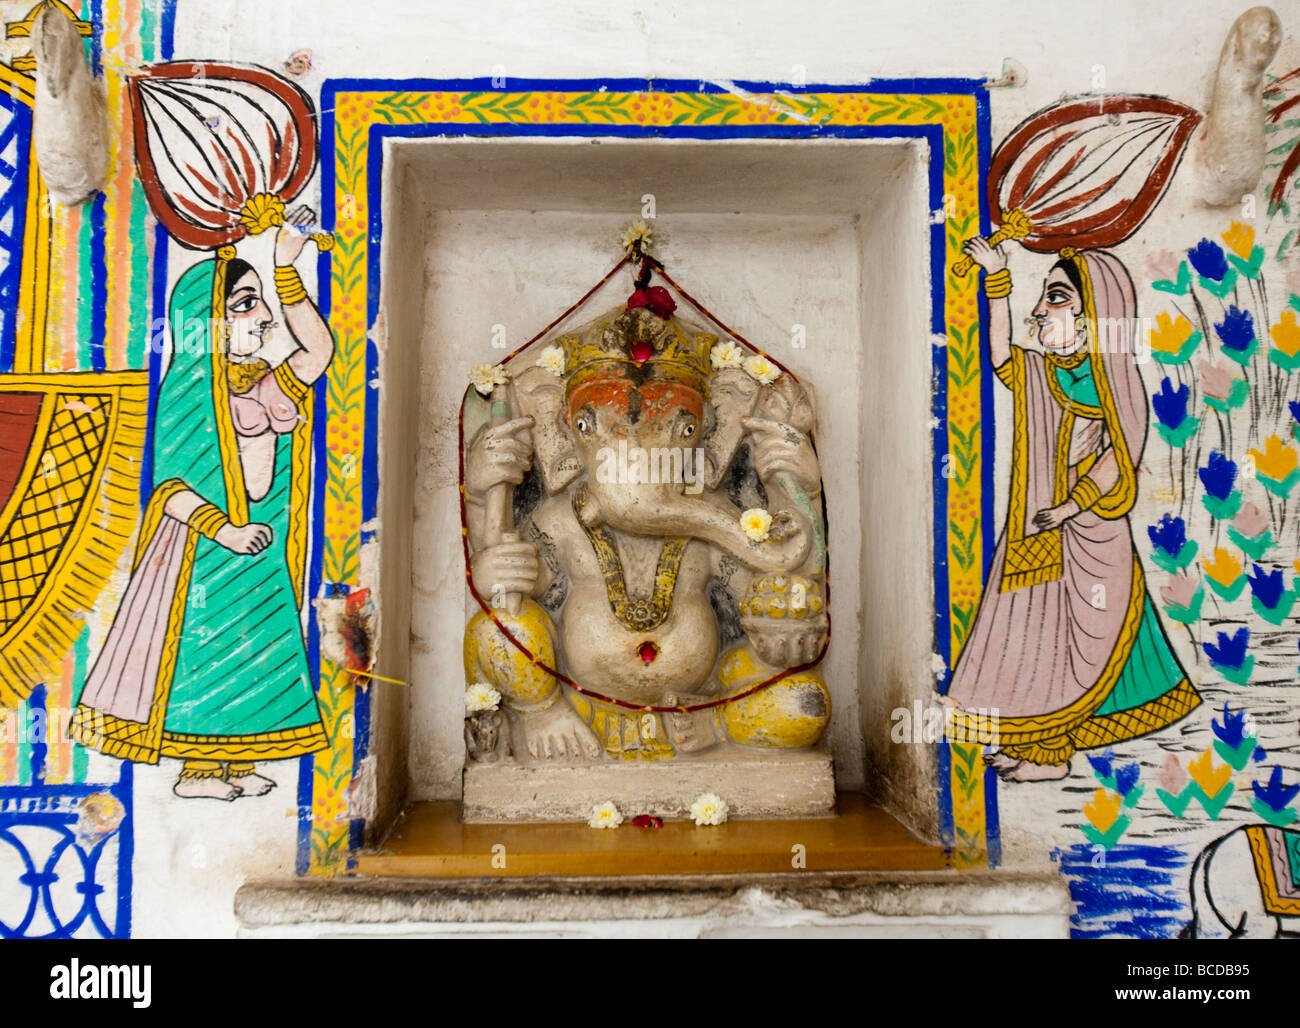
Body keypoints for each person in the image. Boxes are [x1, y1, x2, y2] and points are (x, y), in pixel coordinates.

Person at [72, 206, 334, 800]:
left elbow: (317, 350)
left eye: (259, 301)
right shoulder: (188, 394)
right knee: (206, 654)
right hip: (207, 561)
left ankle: (237, 760)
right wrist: (225, 532)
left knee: (262, 655)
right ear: (207, 322)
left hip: (264, 553)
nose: (263, 316)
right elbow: (169, 490)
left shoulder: (269, 383)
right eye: (246, 305)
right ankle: (195, 772)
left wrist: (286, 270)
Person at [947, 239, 1200, 782]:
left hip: (1088, 535)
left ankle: (1051, 756)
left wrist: (1070, 506)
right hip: (1036, 527)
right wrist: (997, 281)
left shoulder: (1116, 383)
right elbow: (999, 355)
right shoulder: (1045, 372)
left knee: (1079, 646)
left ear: (1095, 313)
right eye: (1044, 297)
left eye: (1056, 297)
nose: (1040, 310)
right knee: (1034, 638)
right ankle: (1039, 747)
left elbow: (1118, 454)